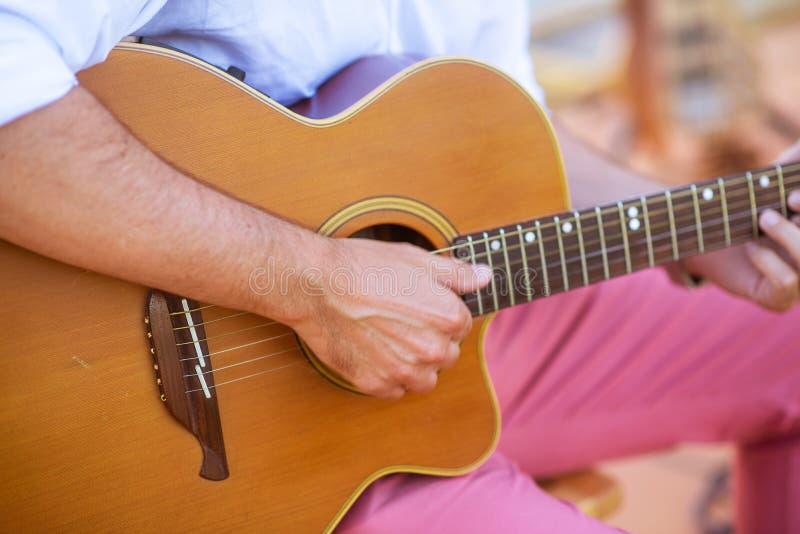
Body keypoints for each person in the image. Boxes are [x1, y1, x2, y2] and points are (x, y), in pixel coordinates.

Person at [1, 2, 798, 532]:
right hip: (248, 466)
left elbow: (496, 125)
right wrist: (302, 282)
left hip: (462, 317)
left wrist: (700, 228)